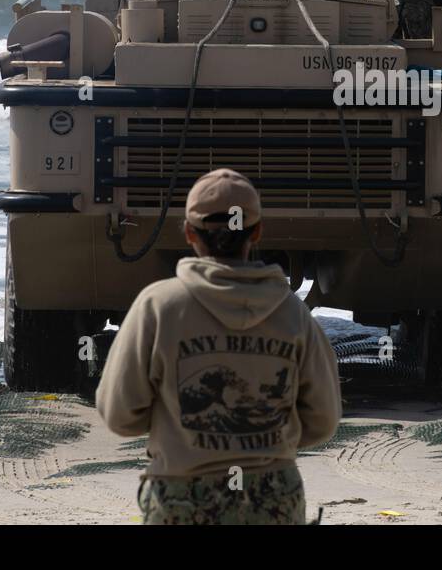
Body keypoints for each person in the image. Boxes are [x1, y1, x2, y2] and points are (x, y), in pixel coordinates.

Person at [96, 168, 342, 524]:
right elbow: (323, 419)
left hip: (181, 495)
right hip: (272, 498)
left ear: (189, 233)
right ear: (257, 232)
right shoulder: (294, 313)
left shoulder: (159, 306)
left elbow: (119, 415)